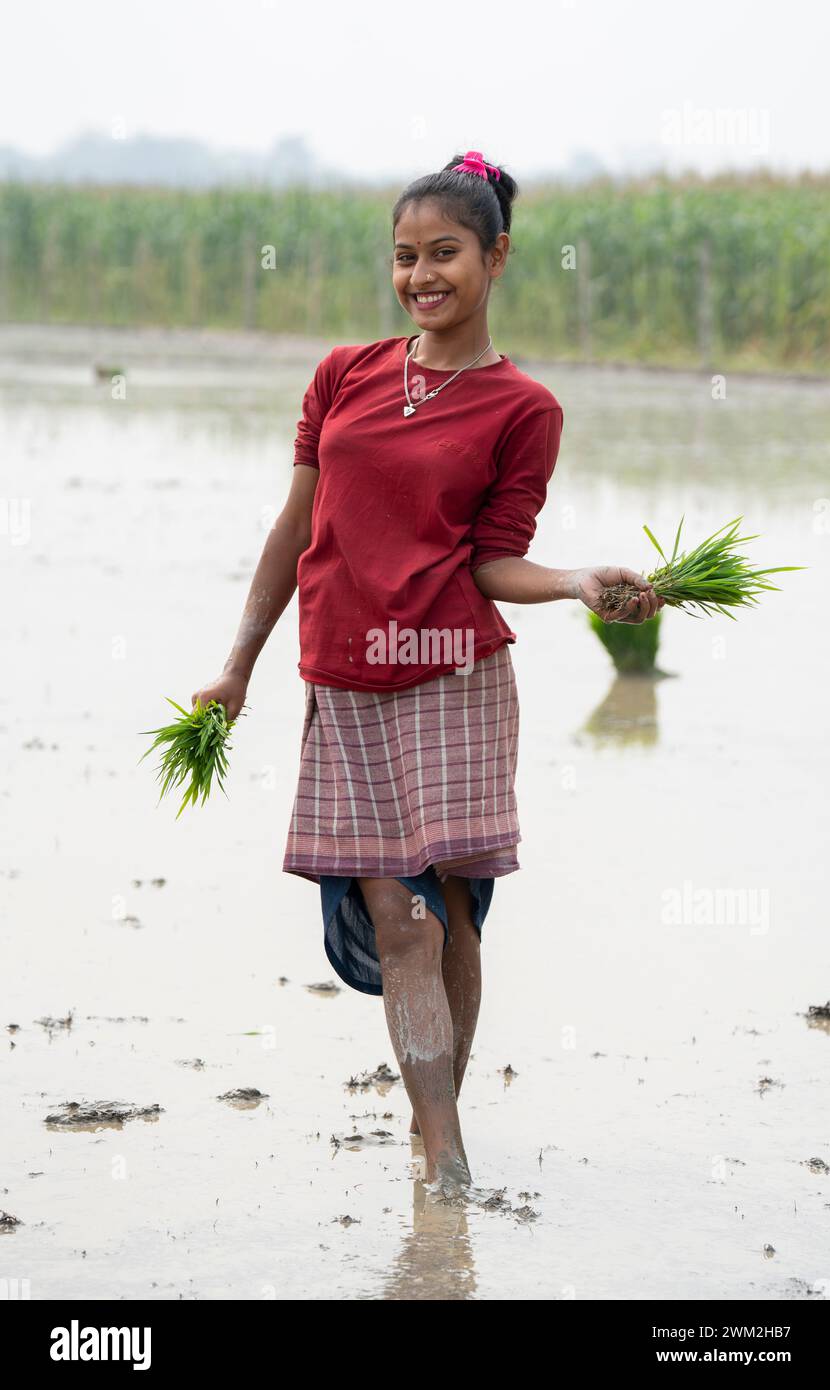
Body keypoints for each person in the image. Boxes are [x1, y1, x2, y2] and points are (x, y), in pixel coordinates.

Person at [192, 150, 664, 1195]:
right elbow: (295, 526)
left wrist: (581, 580)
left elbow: (493, 559)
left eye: (443, 253)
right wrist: (239, 668)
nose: (420, 276)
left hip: (452, 678)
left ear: (495, 256)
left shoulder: (522, 408)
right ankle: (442, 1138)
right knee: (397, 917)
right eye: (404, 257)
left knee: (450, 914)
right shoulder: (342, 374)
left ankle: (440, 1141)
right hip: (346, 683)